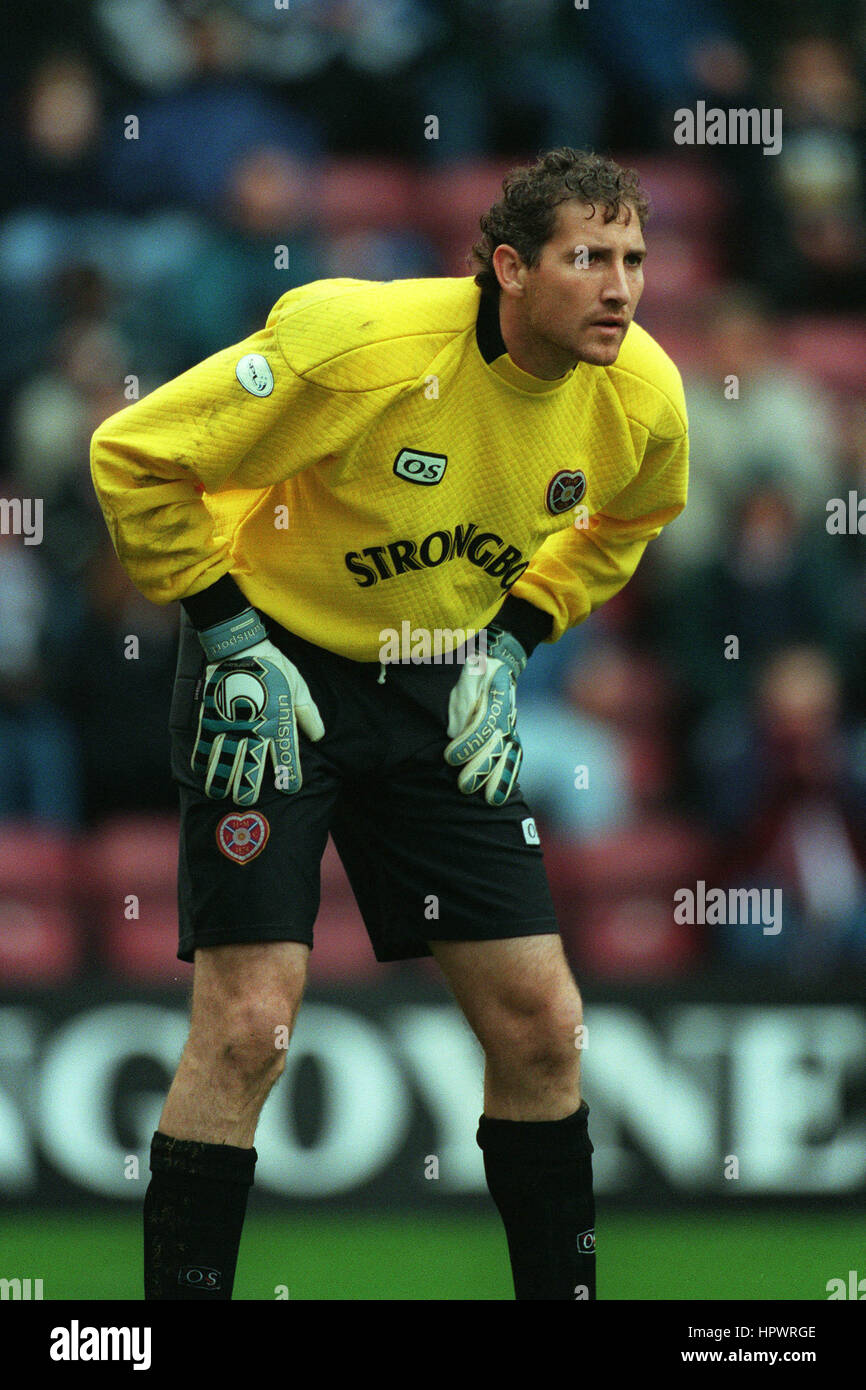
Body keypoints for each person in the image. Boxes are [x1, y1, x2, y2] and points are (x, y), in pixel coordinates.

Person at [90, 147, 688, 1301]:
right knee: (250, 1028)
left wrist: (514, 640)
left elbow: (626, 524)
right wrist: (225, 631)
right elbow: (135, 458)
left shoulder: (644, 397)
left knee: (540, 1024)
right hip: (270, 673)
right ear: (508, 267)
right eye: (586, 258)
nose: (620, 287)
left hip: (435, 683)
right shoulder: (358, 349)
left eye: (633, 260)